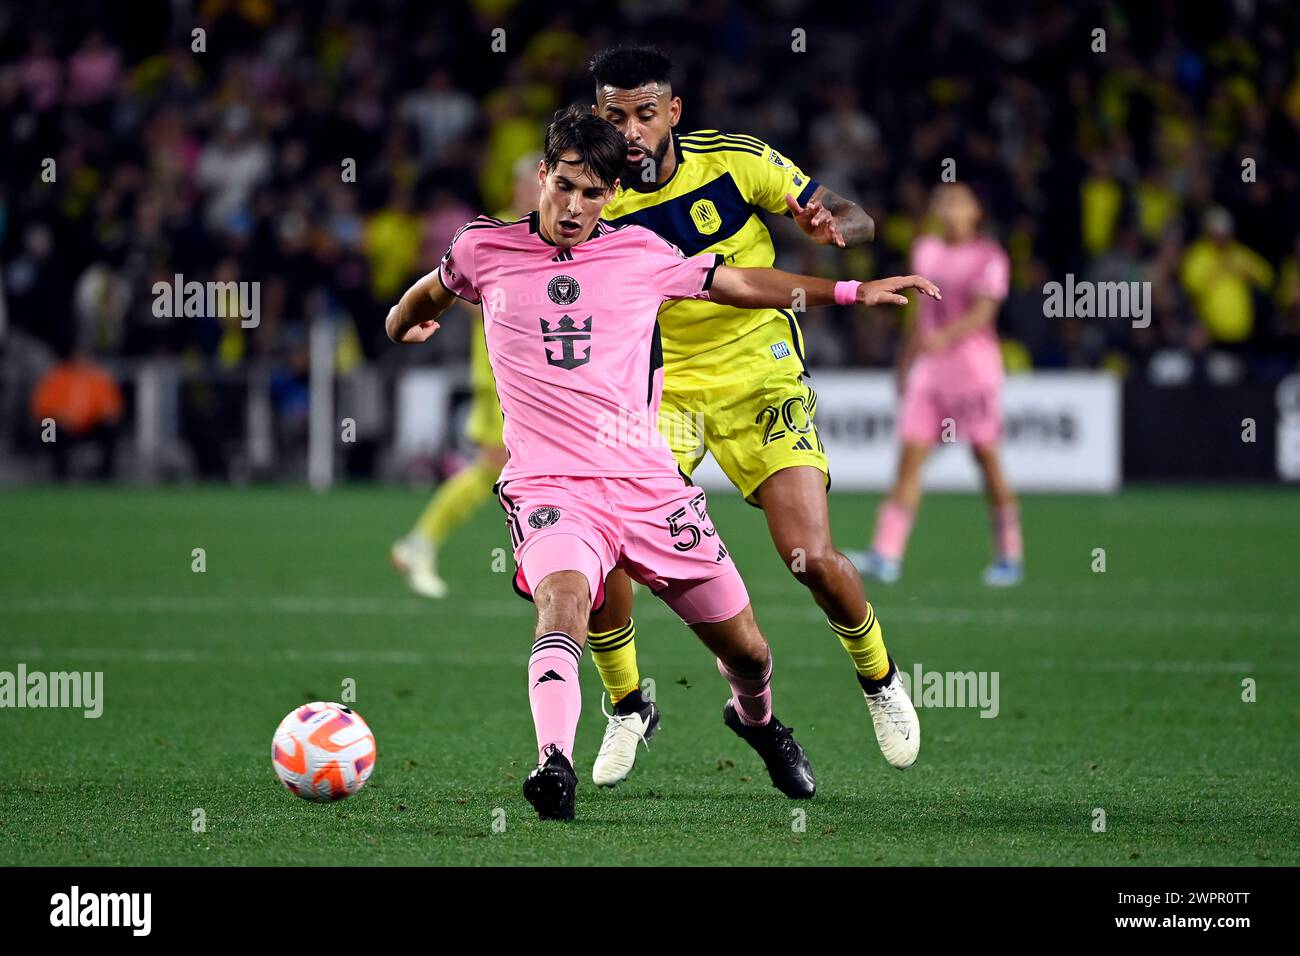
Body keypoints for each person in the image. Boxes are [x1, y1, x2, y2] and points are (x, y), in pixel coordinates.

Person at [385, 107, 938, 821]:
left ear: (611, 196)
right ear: (542, 177)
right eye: (565, 188)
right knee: (563, 602)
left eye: (592, 194)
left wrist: (848, 291)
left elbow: (737, 283)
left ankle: (760, 720)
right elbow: (429, 289)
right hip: (552, 488)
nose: (576, 207)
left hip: (647, 487)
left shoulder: (640, 254)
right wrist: (403, 321)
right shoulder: (482, 248)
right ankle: (556, 761)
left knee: (747, 652)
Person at [584, 45, 918, 787]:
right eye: (615, 116)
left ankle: (879, 678)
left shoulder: (736, 162)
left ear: (673, 112)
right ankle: (628, 703)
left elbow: (852, 216)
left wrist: (835, 224)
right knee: (605, 552)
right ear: (597, 118)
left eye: (645, 114)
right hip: (660, 391)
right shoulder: (591, 195)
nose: (631, 131)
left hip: (760, 375)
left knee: (811, 557)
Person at [847, 182, 1021, 585]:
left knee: (987, 458)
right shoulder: (926, 249)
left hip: (974, 373)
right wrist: (905, 362)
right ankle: (886, 554)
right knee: (910, 460)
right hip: (930, 373)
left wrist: (944, 338)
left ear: (975, 212)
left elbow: (984, 311)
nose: (949, 209)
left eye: (958, 202)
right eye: (942, 201)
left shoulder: (989, 256)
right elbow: (919, 314)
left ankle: (1009, 553)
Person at [391, 156, 539, 598]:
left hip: (538, 377)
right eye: (531, 183)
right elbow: (456, 289)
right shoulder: (496, 235)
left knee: (517, 467)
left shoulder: (556, 234)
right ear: (517, 188)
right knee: (496, 464)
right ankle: (420, 542)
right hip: (501, 374)